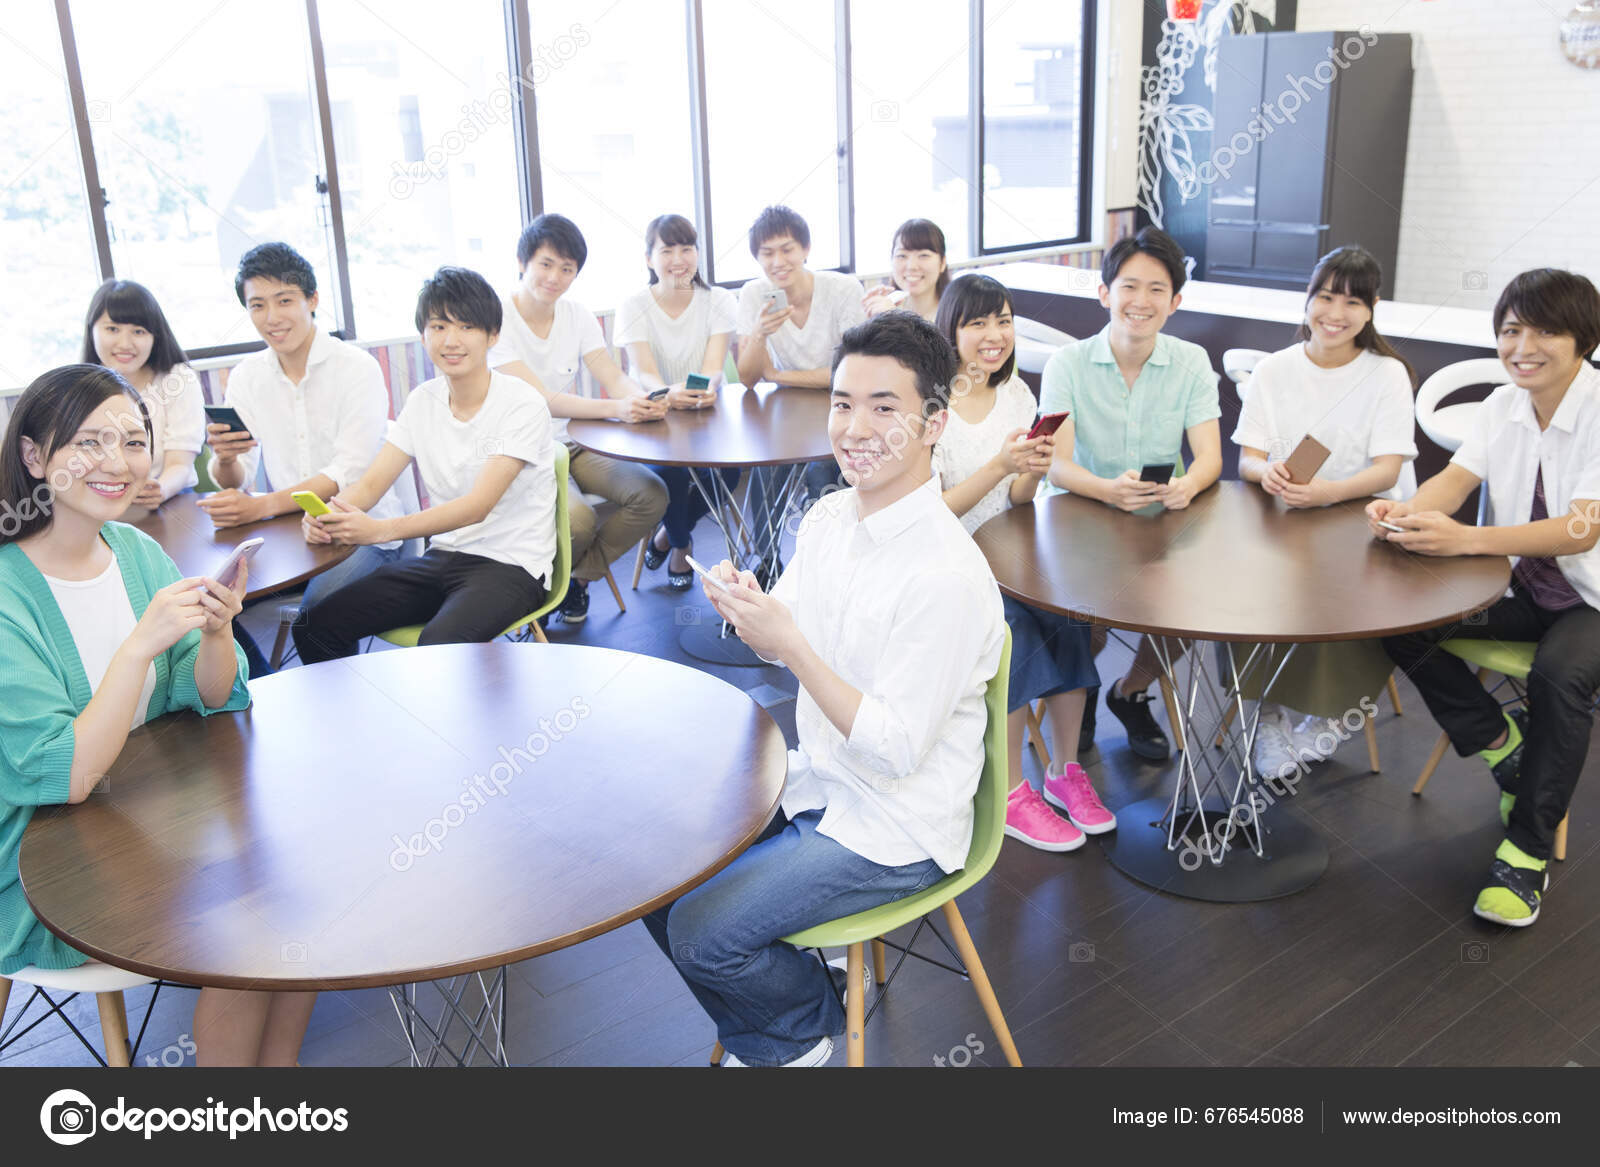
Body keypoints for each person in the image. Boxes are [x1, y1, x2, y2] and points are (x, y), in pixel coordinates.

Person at [645, 311, 1004, 1067]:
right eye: (843, 403)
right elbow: (790, 622)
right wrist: (753, 607)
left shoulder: (943, 573)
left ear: (933, 423)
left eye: (884, 407)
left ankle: (798, 1031)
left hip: (897, 824)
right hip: (824, 779)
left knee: (700, 931)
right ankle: (787, 1012)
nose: (855, 427)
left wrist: (792, 647)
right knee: (651, 869)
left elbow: (898, 750)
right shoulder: (832, 514)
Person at [0, 364, 314, 1067]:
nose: (118, 462)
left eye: (134, 440)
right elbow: (70, 774)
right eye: (89, 441)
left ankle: (276, 1079)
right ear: (33, 456)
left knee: (299, 883)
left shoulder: (136, 551)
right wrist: (140, 645)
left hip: (149, 809)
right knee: (254, 923)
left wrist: (214, 632)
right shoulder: (6, 597)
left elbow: (206, 696)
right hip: (41, 855)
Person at [1377, 268, 1600, 928]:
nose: (1522, 346)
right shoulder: (1503, 404)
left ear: (1583, 339)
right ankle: (1503, 742)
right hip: (1522, 588)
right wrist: (1406, 514)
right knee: (1398, 619)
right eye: (1510, 330)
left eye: (1545, 331)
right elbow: (1454, 477)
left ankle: (1528, 850)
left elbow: (1582, 525)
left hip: (1591, 602)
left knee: (1561, 677)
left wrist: (1467, 540)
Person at [293, 267, 556, 662]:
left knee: (438, 652)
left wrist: (379, 531)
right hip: (443, 556)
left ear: (493, 335)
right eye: (438, 326)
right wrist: (329, 516)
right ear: (423, 335)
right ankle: (354, 717)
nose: (451, 340)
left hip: (511, 563)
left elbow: (477, 506)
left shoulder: (521, 403)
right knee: (313, 625)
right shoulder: (422, 401)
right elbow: (369, 487)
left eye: (467, 326)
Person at [931, 276, 1110, 851]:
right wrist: (1001, 464)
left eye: (1003, 320)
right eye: (977, 322)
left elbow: (1019, 500)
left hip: (1010, 549)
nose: (995, 335)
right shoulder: (932, 403)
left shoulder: (1017, 396)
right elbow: (926, 514)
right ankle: (1010, 792)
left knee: (1071, 616)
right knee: (1014, 631)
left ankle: (1063, 771)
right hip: (948, 561)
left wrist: (1033, 464)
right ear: (951, 330)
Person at [1232, 246, 1419, 777]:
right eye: (1326, 297)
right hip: (1287, 518)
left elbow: (1387, 471)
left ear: (1372, 308)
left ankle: (1323, 715)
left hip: (1363, 520)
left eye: (1353, 302)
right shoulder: (1274, 369)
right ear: (1309, 299)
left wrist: (1328, 495)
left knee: (1336, 588)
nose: (1336, 314)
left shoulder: (1386, 374)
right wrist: (1264, 473)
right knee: (1245, 583)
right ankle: (1266, 713)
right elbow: (1248, 458)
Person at [1041, 227, 1222, 761]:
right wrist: (1106, 490)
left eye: (1157, 290)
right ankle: (1085, 689)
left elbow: (1209, 457)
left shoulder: (1191, 362)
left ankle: (1131, 690)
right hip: (1082, 519)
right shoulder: (1066, 364)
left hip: (1163, 522)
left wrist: (1189, 484)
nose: (1140, 302)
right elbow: (1057, 462)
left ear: (1176, 302)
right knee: (1085, 623)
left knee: (1189, 614)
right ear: (1105, 293)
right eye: (1129, 286)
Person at [201, 242, 409, 675]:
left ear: (312, 301)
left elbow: (344, 473)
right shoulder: (247, 377)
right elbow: (236, 476)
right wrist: (225, 459)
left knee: (314, 621)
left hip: (361, 532)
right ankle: (264, 694)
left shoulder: (356, 368)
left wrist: (259, 506)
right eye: (258, 305)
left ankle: (340, 719)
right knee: (210, 602)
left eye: (284, 301)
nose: (272, 317)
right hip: (289, 534)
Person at [487, 213, 668, 625]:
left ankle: (576, 581)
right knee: (581, 520)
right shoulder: (496, 318)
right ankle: (545, 589)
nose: (555, 277)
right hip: (524, 450)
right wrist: (617, 409)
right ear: (522, 261)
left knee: (652, 495)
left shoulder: (577, 314)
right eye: (546, 264)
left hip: (576, 442)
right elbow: (542, 400)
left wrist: (643, 400)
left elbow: (612, 375)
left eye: (567, 269)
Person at [614, 213, 738, 589]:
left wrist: (700, 390)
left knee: (728, 472)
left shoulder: (718, 300)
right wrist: (670, 394)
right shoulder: (634, 305)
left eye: (687, 248)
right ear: (649, 258)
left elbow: (714, 366)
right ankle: (683, 547)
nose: (678, 258)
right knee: (672, 473)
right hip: (654, 414)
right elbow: (645, 372)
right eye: (667, 249)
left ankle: (666, 537)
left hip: (706, 411)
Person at [735, 205, 867, 535]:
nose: (778, 262)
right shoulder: (753, 294)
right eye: (767, 253)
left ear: (805, 249)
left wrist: (777, 376)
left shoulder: (843, 289)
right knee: (766, 468)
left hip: (843, 405)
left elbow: (852, 372)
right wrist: (760, 333)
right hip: (786, 410)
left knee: (822, 469)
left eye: (787, 249)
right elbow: (748, 379)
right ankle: (765, 565)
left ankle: (826, 553)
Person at [80, 279, 206, 508]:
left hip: (167, 502)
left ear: (155, 336)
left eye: (138, 331)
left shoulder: (176, 380)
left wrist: (160, 490)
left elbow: (180, 463)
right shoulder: (76, 387)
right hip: (99, 507)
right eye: (112, 329)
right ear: (92, 330)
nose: (125, 343)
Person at [862, 218, 950, 322]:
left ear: (942, 262)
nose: (911, 266)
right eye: (902, 256)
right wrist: (871, 318)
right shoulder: (885, 310)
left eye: (923, 255)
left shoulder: (956, 314)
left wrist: (895, 320)